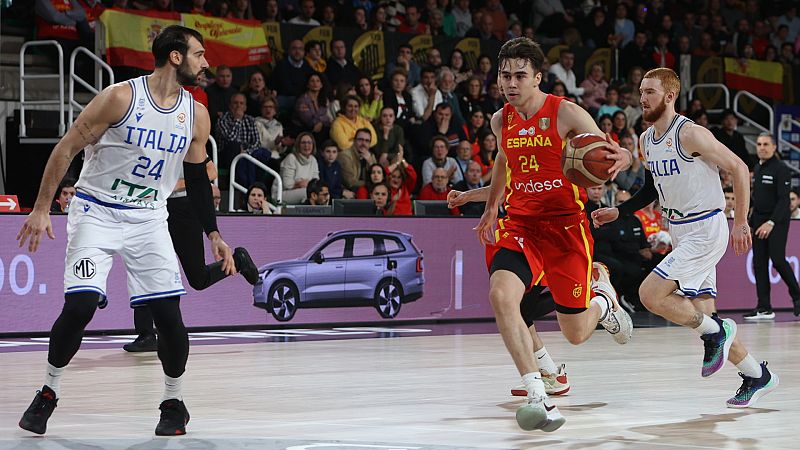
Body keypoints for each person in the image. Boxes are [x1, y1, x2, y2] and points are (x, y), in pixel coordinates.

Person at [16, 25, 234, 436]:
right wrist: (42, 207)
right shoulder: (120, 97)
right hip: (96, 211)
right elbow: (66, 148)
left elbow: (199, 179)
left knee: (170, 317)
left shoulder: (197, 114)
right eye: (199, 54)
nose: (207, 62)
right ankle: (48, 391)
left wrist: (214, 234)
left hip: (150, 217)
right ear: (175, 56)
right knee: (79, 307)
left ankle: (174, 402)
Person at [449, 37, 634, 432]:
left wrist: (626, 156)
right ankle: (538, 393)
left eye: (519, 75)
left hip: (566, 227)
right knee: (501, 296)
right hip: (521, 225)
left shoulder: (564, 112)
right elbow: (503, 160)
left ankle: (602, 301)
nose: (510, 83)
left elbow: (608, 151)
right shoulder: (502, 120)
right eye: (504, 76)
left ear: (537, 78)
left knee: (577, 332)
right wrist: (489, 206)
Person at [592, 68, 779, 410]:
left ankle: (719, 332)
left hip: (706, 227)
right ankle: (756, 374)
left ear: (668, 96)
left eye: (649, 91)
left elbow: (738, 167)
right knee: (704, 318)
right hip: (680, 230)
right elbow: (651, 187)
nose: (642, 97)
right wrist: (622, 211)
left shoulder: (690, 134)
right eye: (641, 91)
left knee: (651, 295)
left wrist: (741, 222)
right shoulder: (647, 138)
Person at [124, 161, 260, 353]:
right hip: (152, 209)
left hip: (183, 207)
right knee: (148, 268)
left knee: (198, 278)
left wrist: (177, 185)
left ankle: (238, 261)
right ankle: (146, 334)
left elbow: (211, 170)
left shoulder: (186, 135)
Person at [747, 133, 800, 319]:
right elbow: (757, 200)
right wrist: (752, 223)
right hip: (759, 221)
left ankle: (797, 296)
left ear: (774, 147)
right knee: (759, 264)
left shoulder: (781, 169)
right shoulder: (757, 168)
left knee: (777, 259)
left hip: (777, 221)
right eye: (759, 144)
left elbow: (784, 200)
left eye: (766, 144)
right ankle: (764, 307)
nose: (762, 147)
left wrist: (771, 223)